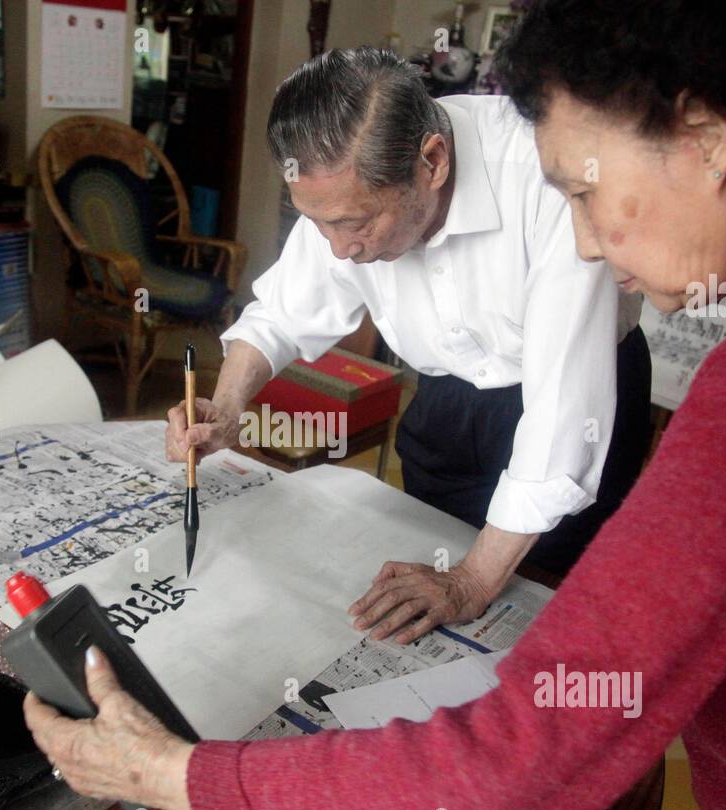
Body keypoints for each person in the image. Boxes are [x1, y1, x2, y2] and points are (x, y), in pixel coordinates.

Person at [24, 0, 726, 810]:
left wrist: (177, 776)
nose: (586, 247)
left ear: (704, 143)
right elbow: (291, 305)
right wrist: (230, 401)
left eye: (584, 196)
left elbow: (521, 759)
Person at [164, 47, 651, 646]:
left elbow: (561, 420)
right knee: (427, 609)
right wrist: (229, 404)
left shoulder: (546, 176)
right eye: (319, 225)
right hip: (448, 396)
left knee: (558, 621)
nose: (340, 250)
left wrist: (472, 581)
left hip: (583, 402)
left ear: (434, 160)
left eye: (355, 223)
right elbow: (284, 312)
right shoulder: (344, 177)